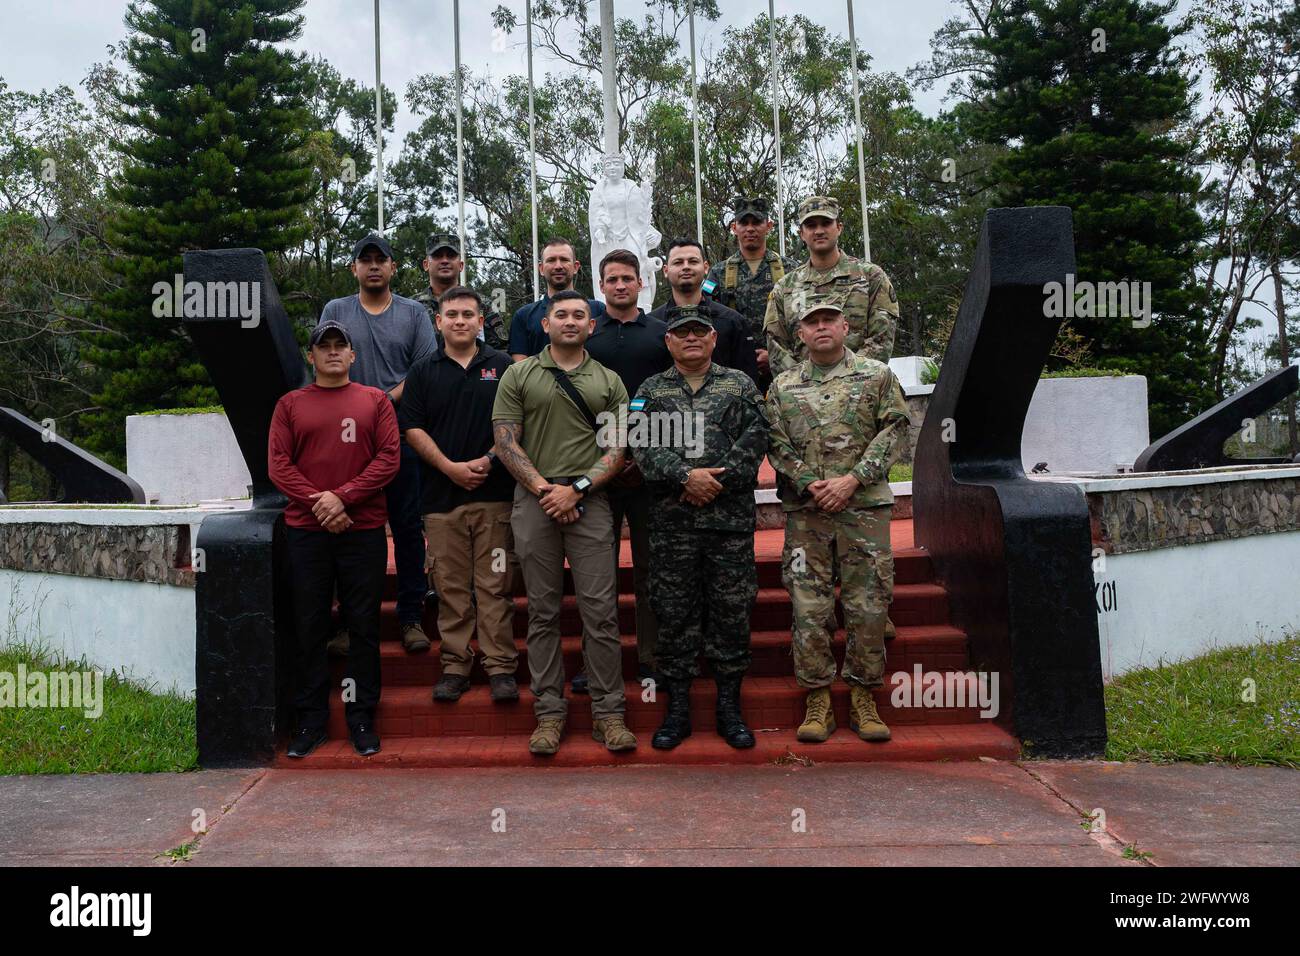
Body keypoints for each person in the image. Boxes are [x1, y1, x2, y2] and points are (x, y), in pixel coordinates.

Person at [491, 291, 637, 755]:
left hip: (589, 502)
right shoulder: (518, 374)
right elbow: (505, 441)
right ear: (545, 323)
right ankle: (549, 714)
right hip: (535, 500)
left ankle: (609, 713)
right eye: (561, 315)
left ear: (591, 326)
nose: (570, 321)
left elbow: (617, 448)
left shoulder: (609, 380)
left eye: (579, 315)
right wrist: (545, 491)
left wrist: (575, 489)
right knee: (542, 611)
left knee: (601, 612)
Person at [766, 300, 910, 744]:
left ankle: (864, 696)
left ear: (846, 326)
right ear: (800, 334)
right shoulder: (782, 386)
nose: (822, 327)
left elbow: (896, 429)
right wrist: (810, 482)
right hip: (806, 513)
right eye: (812, 322)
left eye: (829, 320)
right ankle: (817, 698)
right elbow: (775, 441)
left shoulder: (877, 375)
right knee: (808, 607)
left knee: (868, 605)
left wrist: (853, 480)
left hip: (863, 508)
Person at [632, 304, 769, 750]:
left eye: (700, 332)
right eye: (682, 333)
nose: (692, 338)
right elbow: (639, 441)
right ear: (668, 341)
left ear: (713, 339)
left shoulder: (741, 383)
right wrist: (684, 477)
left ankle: (730, 707)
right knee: (674, 614)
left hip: (728, 522)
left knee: (732, 610)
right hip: (673, 525)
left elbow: (758, 436)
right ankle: (678, 711)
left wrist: (715, 479)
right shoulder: (650, 390)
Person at [270, 320, 400, 759]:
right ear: (311, 356)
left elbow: (388, 459)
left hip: (361, 530)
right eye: (322, 346)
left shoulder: (374, 401)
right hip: (307, 533)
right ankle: (311, 719)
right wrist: (320, 505)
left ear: (352, 355)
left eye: (338, 345)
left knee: (363, 625)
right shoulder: (290, 405)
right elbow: (278, 466)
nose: (331, 352)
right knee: (309, 624)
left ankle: (361, 716)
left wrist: (341, 499)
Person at [400, 286, 520, 704]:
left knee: (495, 586)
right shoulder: (422, 371)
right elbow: (411, 428)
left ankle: (501, 666)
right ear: (439, 321)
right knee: (450, 588)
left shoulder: (503, 366)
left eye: (468, 314)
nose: (460, 321)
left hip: (496, 496)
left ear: (481, 320)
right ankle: (455, 666)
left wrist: (489, 458)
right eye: (451, 314)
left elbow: (516, 422)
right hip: (439, 499)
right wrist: (450, 468)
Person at [318, 232, 436, 655]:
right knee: (349, 529)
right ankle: (351, 624)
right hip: (347, 438)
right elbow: (325, 360)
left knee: (407, 527)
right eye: (364, 259)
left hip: (399, 434)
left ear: (392, 267)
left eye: (380, 259)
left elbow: (423, 372)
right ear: (353, 268)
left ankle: (410, 618)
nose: (372, 265)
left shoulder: (414, 313)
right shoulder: (336, 311)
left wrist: (379, 401)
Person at [585, 248, 671, 684]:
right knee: (596, 574)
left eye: (627, 278)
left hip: (649, 469)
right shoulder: (586, 336)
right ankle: (600, 664)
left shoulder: (661, 334)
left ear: (641, 283)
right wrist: (605, 462)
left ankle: (653, 658)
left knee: (651, 571)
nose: (620, 285)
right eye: (612, 279)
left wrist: (643, 457)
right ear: (601, 286)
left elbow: (671, 400)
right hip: (596, 472)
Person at [763, 196, 900, 379]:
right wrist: (804, 385)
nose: (819, 231)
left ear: (839, 228)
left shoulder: (871, 277)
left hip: (860, 388)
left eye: (826, 223)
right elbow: (777, 348)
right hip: (803, 395)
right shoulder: (784, 288)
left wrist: (849, 379)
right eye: (811, 225)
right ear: (802, 234)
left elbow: (881, 339)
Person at [704, 197, 798, 389]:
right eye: (744, 223)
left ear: (769, 225)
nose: (750, 228)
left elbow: (800, 322)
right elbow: (707, 316)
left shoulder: (790, 270)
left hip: (784, 373)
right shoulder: (718, 273)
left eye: (757, 222)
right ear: (734, 227)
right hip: (733, 372)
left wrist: (773, 357)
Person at [648, 238, 760, 386]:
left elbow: (749, 382)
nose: (686, 267)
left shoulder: (733, 322)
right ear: (666, 270)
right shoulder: (651, 325)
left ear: (706, 267)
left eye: (693, 261)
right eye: (678, 262)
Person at [507, 237, 607, 360]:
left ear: (576, 267)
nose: (558, 266)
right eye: (551, 260)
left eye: (564, 260)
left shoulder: (598, 310)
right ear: (541, 268)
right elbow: (519, 369)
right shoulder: (523, 316)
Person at [415, 233, 508, 351]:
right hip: (425, 369)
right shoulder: (412, 307)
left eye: (451, 256)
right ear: (426, 264)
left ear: (461, 265)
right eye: (437, 256)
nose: (444, 261)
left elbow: (501, 350)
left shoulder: (482, 304)